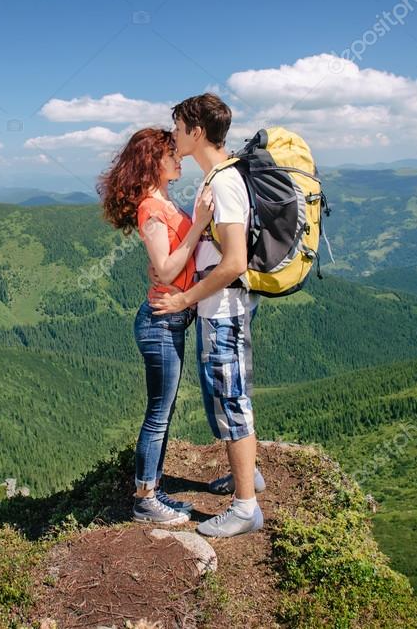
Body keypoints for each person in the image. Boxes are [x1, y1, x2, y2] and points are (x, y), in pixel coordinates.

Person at [151, 93, 266, 538]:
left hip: (224, 309)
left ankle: (245, 508)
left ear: (197, 131)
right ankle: (247, 478)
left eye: (178, 128)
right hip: (222, 308)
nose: (175, 136)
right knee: (226, 394)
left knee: (231, 397)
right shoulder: (221, 176)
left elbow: (234, 261)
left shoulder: (223, 183)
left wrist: (184, 300)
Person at [97, 127, 214, 526]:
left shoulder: (162, 200)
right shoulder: (151, 206)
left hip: (171, 318)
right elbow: (165, 267)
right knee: (158, 415)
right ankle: (145, 498)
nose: (178, 158)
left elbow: (165, 264)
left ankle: (154, 489)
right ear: (152, 161)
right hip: (161, 325)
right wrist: (198, 225)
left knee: (163, 411)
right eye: (170, 154)